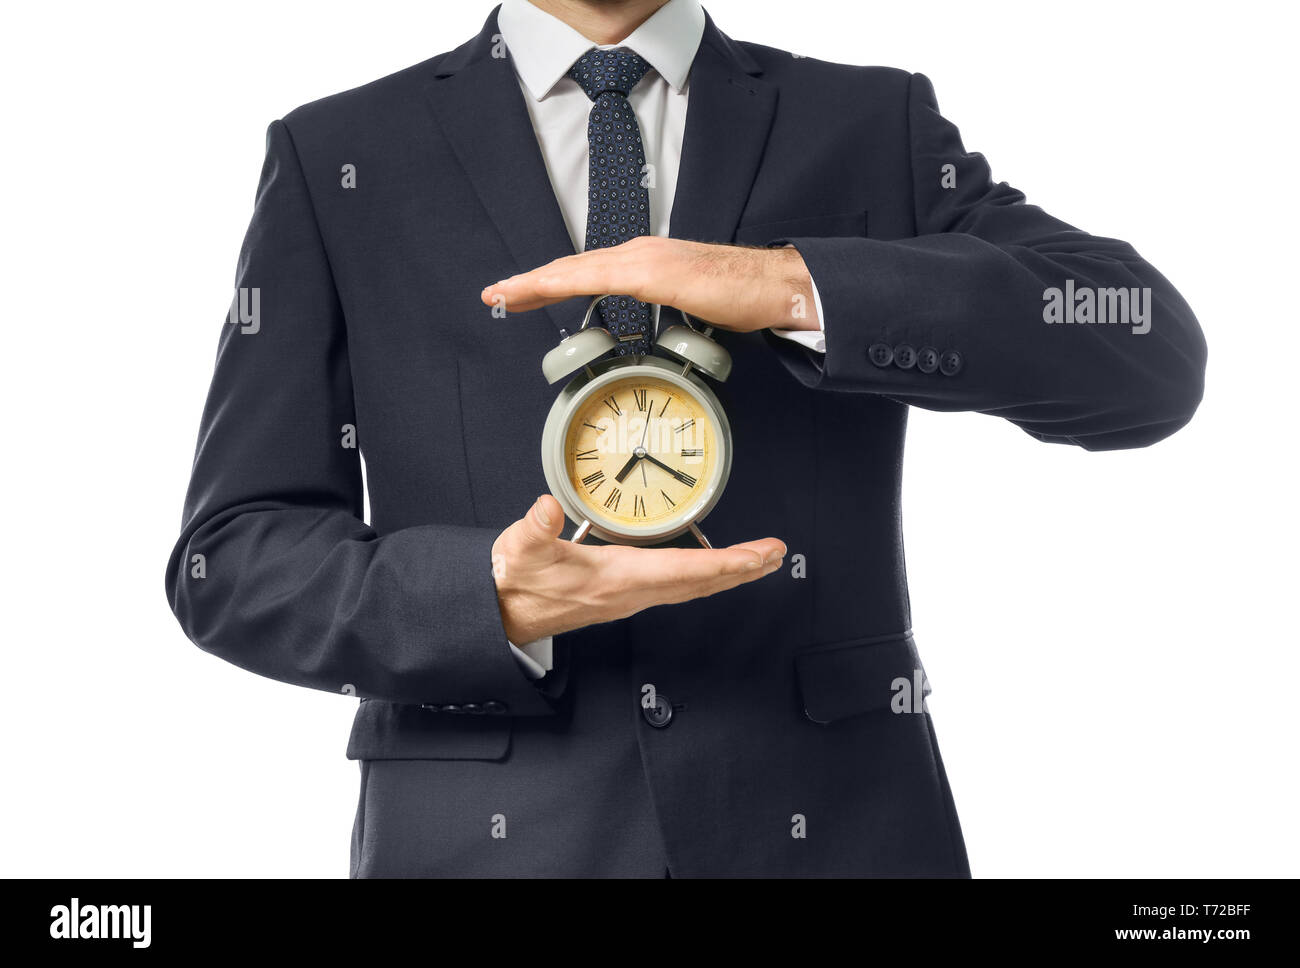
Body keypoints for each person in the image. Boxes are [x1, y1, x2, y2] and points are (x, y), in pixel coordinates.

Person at [166, 0, 1206, 877]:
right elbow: (231, 556)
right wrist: (483, 597)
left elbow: (1143, 348)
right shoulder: (341, 154)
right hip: (482, 842)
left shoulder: (865, 120)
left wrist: (795, 285)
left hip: (838, 833)